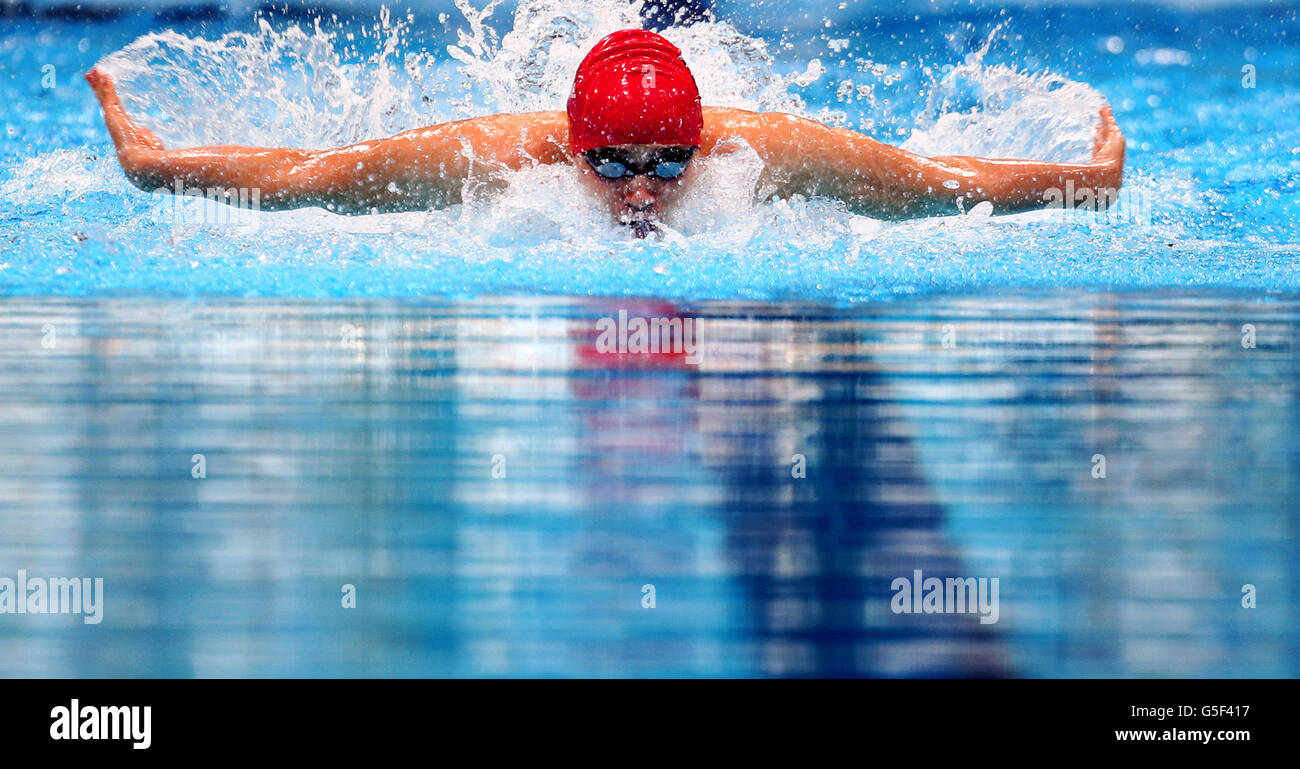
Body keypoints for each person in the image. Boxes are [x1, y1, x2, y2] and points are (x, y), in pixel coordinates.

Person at [87, 28, 1125, 238]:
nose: (643, 189)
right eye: (613, 164)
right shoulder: (499, 154)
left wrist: (1081, 182)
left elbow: (938, 180)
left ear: (702, 140)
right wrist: (160, 165)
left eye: (668, 161)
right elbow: (309, 178)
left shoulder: (760, 148)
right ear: (567, 150)